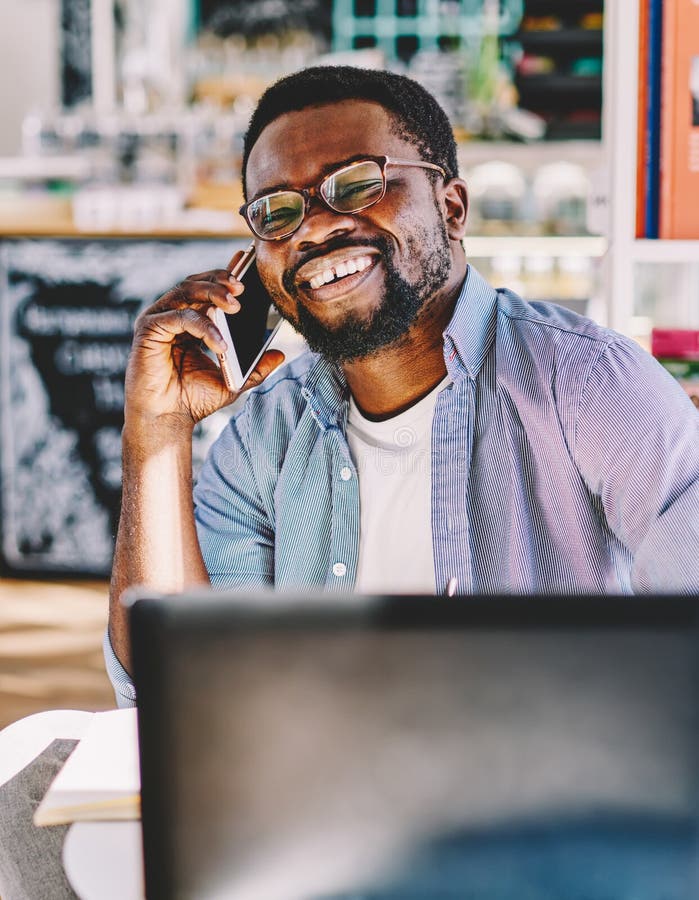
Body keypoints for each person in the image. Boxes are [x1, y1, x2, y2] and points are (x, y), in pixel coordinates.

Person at [104, 64, 699, 703]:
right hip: (319, 791)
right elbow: (174, 685)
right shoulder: (264, 438)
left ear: (451, 208)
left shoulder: (587, 384)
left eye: (358, 184)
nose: (314, 227)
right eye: (277, 211)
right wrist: (157, 430)